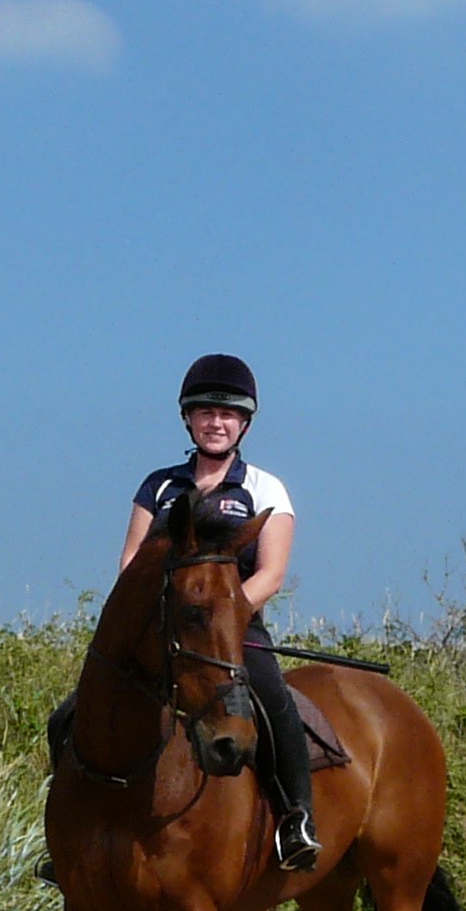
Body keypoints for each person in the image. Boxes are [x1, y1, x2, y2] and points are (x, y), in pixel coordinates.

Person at [119, 353, 321, 870]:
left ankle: (297, 817)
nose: (216, 423)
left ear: (244, 424)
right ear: (188, 418)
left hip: (232, 633)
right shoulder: (159, 487)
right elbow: (131, 564)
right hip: (161, 632)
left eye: (228, 415)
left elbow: (271, 574)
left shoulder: (264, 489)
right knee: (75, 712)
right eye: (205, 412)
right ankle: (72, 832)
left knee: (275, 702)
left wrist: (220, 620)